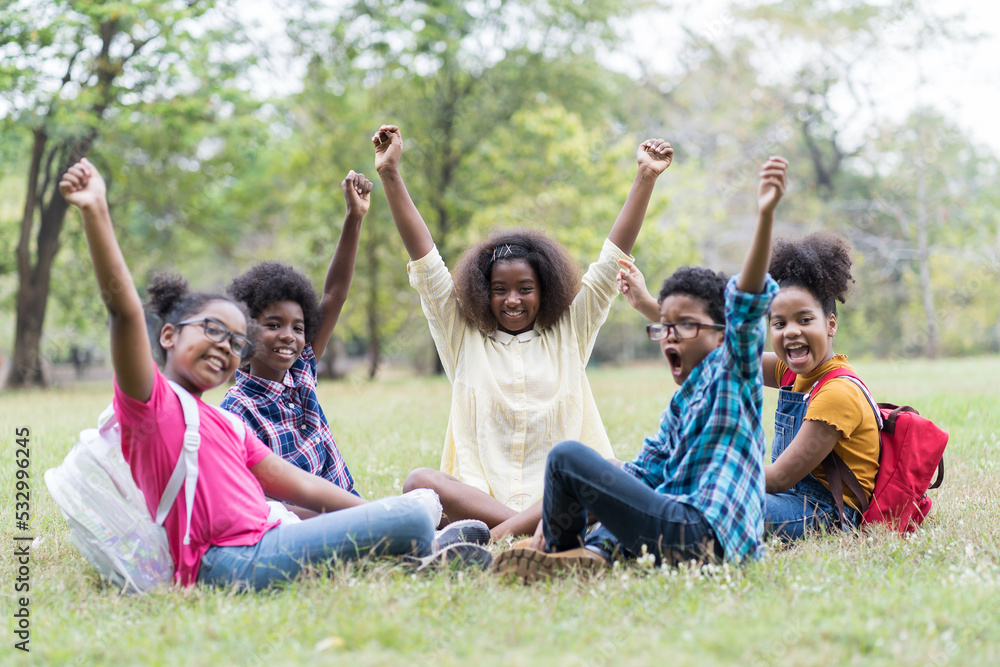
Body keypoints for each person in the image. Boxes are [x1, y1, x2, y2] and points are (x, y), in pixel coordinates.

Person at [60, 157, 436, 590]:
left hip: (272, 535)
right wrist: (96, 210)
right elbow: (123, 311)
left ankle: (428, 546)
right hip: (229, 561)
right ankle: (425, 539)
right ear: (167, 335)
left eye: (235, 341)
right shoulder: (153, 405)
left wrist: (375, 512)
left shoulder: (225, 425)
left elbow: (304, 486)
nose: (224, 345)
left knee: (412, 508)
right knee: (417, 509)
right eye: (213, 330)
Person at [372, 124, 674, 540]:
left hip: (560, 494)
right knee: (420, 482)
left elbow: (610, 263)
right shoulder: (462, 336)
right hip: (480, 499)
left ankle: (496, 537)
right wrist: (390, 174)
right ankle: (535, 531)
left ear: (544, 290)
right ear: (483, 292)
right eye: (499, 290)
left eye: (524, 289)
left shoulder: (570, 330)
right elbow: (426, 262)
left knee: (618, 472)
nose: (512, 300)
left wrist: (645, 177)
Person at [493, 156, 788, 581]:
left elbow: (746, 302)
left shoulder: (734, 372)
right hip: (675, 531)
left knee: (566, 456)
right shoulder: (682, 404)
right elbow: (642, 471)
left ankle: (559, 552)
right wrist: (583, 490)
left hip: (707, 535)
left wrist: (764, 215)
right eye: (664, 327)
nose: (670, 336)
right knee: (592, 468)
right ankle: (574, 557)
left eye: (685, 326)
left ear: (722, 335)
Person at [222, 171, 373, 498]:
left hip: (354, 509)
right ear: (245, 330)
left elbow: (334, 295)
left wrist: (354, 216)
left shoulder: (301, 371)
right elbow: (259, 500)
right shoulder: (237, 409)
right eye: (273, 325)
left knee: (422, 486)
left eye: (298, 327)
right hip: (309, 525)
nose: (289, 336)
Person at [759, 232, 880, 539]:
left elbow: (776, 479)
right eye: (779, 323)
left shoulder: (837, 392)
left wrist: (710, 471)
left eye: (804, 319)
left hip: (827, 512)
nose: (791, 332)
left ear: (830, 324)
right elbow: (725, 356)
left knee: (723, 504)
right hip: (792, 500)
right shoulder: (794, 372)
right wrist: (654, 308)